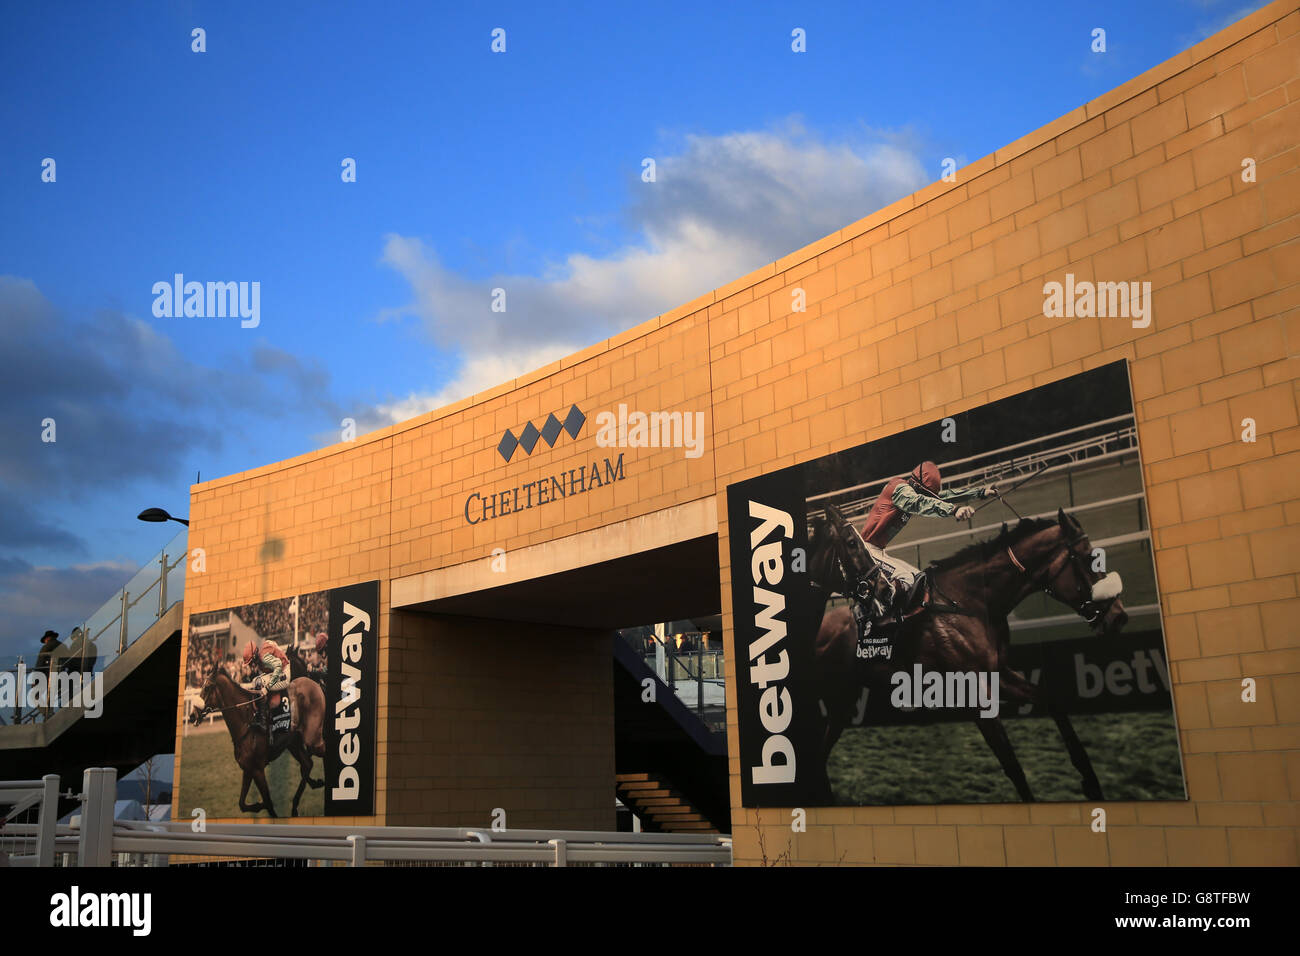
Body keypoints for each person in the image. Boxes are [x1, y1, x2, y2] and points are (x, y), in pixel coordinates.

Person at [846, 462, 997, 654]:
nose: (928, 497)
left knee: (918, 577)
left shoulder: (913, 491)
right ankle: (869, 622)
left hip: (878, 551)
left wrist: (981, 492)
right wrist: (953, 510)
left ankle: (893, 624)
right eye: (925, 493)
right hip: (867, 551)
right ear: (917, 486)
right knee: (907, 579)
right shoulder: (900, 490)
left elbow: (944, 496)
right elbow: (921, 503)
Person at [242, 638, 291, 733]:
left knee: (259, 682)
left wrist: (267, 688)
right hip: (278, 671)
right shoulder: (262, 654)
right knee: (255, 681)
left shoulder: (264, 657)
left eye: (251, 662)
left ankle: (263, 722)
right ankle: (259, 715)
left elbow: (278, 667)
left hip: (284, 672)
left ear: (255, 655)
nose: (251, 665)